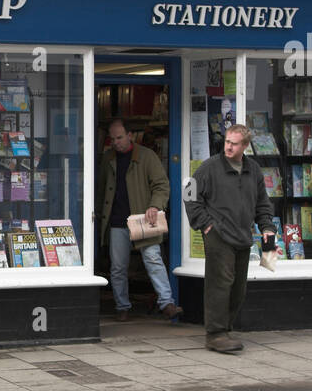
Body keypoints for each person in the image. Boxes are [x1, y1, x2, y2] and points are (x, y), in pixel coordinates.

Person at [183, 124, 275, 354]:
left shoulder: (253, 170)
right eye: (227, 142)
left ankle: (225, 328)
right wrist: (205, 225)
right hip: (218, 234)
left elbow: (263, 202)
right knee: (220, 283)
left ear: (245, 146)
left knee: (238, 288)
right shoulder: (209, 168)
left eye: (234, 143)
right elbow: (188, 192)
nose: (228, 147)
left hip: (243, 235)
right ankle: (215, 334)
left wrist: (266, 227)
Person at [97, 119, 181, 321]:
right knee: (118, 267)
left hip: (143, 218)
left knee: (153, 259)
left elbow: (161, 185)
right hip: (117, 220)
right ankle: (122, 307)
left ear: (129, 135)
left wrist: (155, 206)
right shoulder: (108, 158)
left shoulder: (147, 156)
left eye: (119, 137)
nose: (116, 142)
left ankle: (167, 303)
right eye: (112, 138)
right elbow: (100, 189)